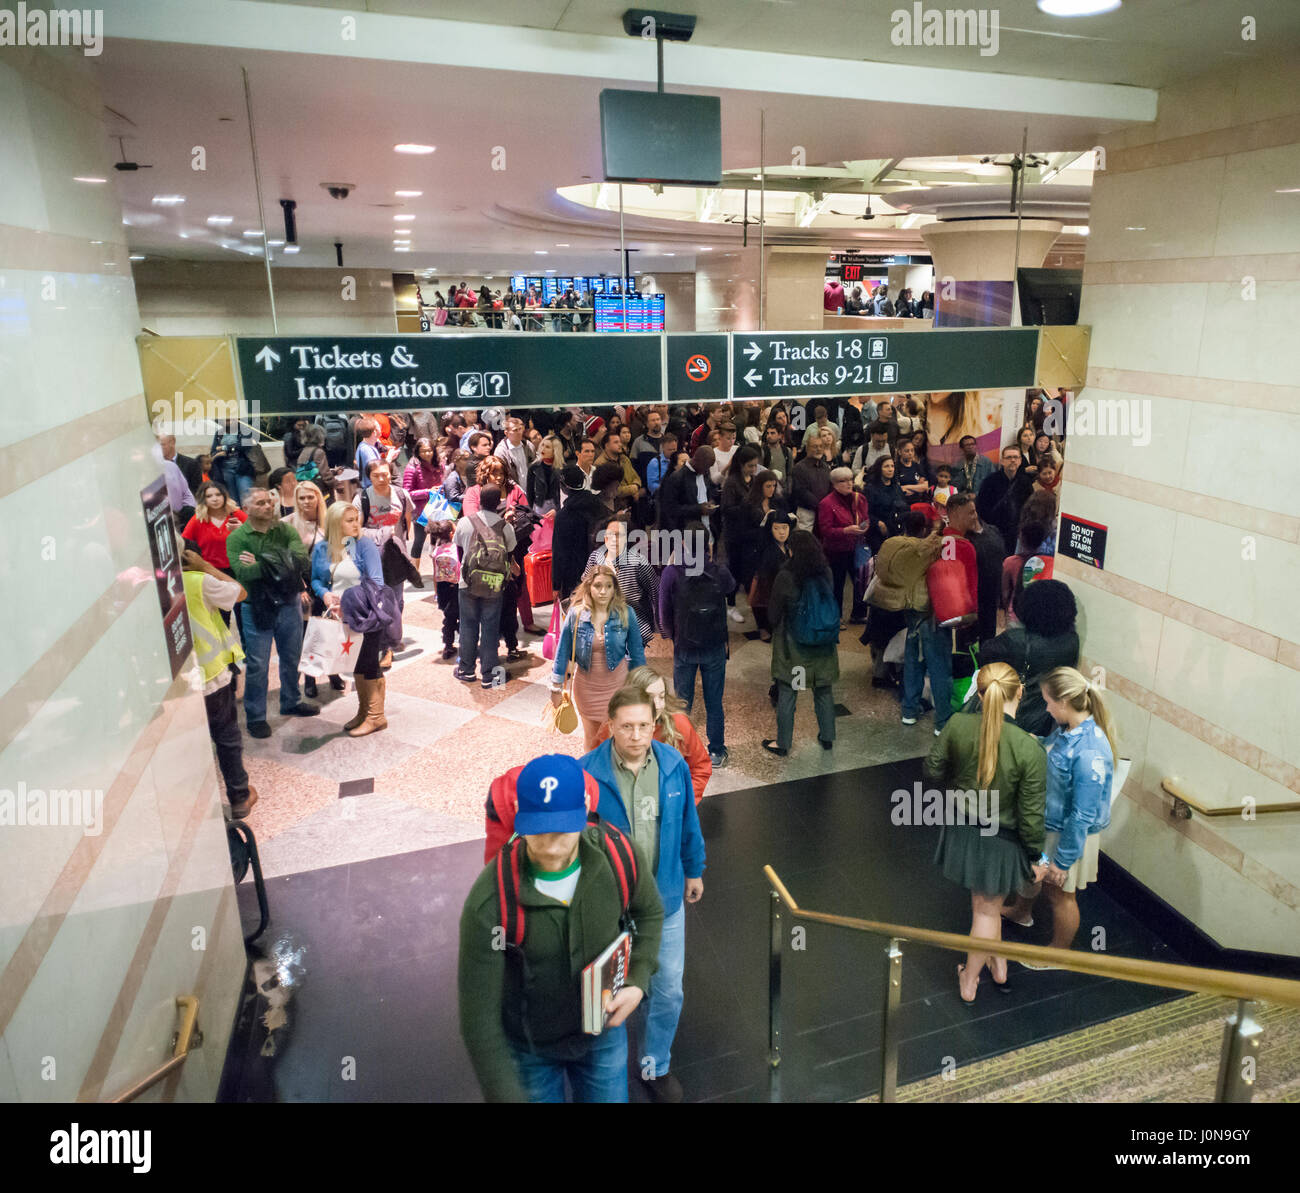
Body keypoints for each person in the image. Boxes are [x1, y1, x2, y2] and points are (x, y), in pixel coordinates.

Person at [458, 753, 664, 1103]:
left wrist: (637, 981)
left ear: (585, 808)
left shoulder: (619, 856)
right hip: (530, 1048)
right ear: (520, 814)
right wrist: (505, 1093)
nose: (552, 846)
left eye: (564, 827)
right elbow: (479, 1017)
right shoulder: (491, 900)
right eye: (539, 828)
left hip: (603, 1034)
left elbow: (649, 914)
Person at [581, 686, 705, 1102]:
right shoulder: (587, 774)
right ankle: (598, 1070)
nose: (636, 735)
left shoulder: (672, 764)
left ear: (655, 724)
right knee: (601, 992)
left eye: (644, 726)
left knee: (668, 989)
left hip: (665, 902)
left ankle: (655, 1065)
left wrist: (694, 869)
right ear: (610, 726)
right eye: (627, 726)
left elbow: (689, 821)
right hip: (608, 909)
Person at [926, 662, 1048, 1002]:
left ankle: (983, 971)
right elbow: (1031, 816)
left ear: (978, 694)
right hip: (1002, 840)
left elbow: (933, 768)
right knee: (987, 909)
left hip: (964, 829)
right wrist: (1036, 856)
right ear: (1019, 693)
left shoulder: (958, 724)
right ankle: (982, 973)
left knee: (984, 908)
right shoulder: (1029, 748)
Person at [1003, 667, 1118, 961]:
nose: (1047, 708)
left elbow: (1081, 815)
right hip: (1050, 823)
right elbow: (1053, 752)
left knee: (1060, 893)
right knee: (1032, 870)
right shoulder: (1069, 730)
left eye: (1048, 702)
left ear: (1064, 702)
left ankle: (1059, 954)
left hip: (1066, 834)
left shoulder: (1090, 750)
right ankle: (1021, 911)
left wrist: (1063, 861)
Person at [226, 488, 318, 738]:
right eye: (261, 503)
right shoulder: (237, 538)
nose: (268, 506)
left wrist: (261, 562)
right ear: (246, 509)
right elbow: (243, 573)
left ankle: (291, 701)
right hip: (257, 605)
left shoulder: (286, 530)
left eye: (270, 501)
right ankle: (256, 716)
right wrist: (280, 562)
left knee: (292, 657)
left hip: (289, 602)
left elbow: (301, 562)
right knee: (257, 664)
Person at [181, 543, 257, 818]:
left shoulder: (145, 585)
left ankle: (193, 806)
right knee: (225, 735)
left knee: (188, 742)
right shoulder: (199, 581)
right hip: (210, 672)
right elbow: (240, 592)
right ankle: (239, 796)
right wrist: (207, 567)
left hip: (177, 680)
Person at [658, 522, 734, 768]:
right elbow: (731, 587)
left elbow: (663, 612)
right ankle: (716, 751)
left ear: (682, 544)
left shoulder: (672, 571)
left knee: (682, 701)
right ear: (707, 544)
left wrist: (672, 636)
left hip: (685, 646)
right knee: (714, 701)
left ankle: (681, 751)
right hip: (714, 646)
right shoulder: (717, 570)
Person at [312, 501, 389, 736]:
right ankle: (364, 711)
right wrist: (325, 595)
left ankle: (376, 716)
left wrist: (348, 600)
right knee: (355, 663)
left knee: (369, 664)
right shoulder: (321, 548)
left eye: (357, 519)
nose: (356, 524)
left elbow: (377, 581)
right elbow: (316, 579)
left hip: (365, 614)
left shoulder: (365, 545)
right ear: (336, 523)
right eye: (349, 520)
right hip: (339, 617)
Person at [550, 566, 646, 751]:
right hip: (587, 689)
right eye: (598, 586)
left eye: (608, 586)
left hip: (618, 688)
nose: (603, 591)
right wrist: (555, 686)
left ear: (614, 589)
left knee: (617, 740)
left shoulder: (626, 613)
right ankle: (592, 778)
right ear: (589, 587)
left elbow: (637, 654)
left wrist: (642, 687)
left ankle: (613, 778)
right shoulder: (576, 615)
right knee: (592, 740)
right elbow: (562, 652)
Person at [762, 531, 839, 756]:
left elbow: (774, 615)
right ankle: (827, 737)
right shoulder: (826, 572)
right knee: (823, 690)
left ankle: (783, 743)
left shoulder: (786, 576)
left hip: (795, 648)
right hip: (823, 645)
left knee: (789, 691)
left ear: (792, 550)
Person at [870, 513, 949, 731]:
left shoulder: (893, 544)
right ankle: (942, 722)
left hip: (909, 611)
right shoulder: (923, 550)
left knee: (912, 659)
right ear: (923, 528)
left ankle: (909, 710)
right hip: (927, 612)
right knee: (938, 664)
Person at [595, 666, 711, 803]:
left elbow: (701, 767)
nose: (657, 705)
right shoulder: (611, 729)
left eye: (661, 697)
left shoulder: (679, 725)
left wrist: (681, 801)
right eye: (649, 697)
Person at [979, 579, 1081, 736]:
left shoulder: (1016, 640)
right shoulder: (1072, 642)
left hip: (1009, 715)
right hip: (1043, 720)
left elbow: (984, 654)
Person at [453, 485, 517, 688]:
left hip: (467, 582)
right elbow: (510, 551)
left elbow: (460, 548)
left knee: (468, 625)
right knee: (490, 627)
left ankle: (466, 670)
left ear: (479, 500)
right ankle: (490, 675)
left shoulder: (465, 522)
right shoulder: (505, 526)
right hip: (495, 584)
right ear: (499, 502)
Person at [582, 519, 658, 646]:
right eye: (610, 534)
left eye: (619, 535)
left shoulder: (639, 563)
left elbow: (656, 594)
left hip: (632, 628)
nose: (614, 539)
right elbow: (585, 590)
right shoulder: (595, 558)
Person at [945, 492, 1005, 645]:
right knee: (966, 651)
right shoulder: (953, 542)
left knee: (988, 644)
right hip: (969, 606)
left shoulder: (993, 531)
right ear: (953, 516)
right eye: (967, 514)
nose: (972, 517)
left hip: (991, 601)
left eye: (973, 512)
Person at [816, 466, 870, 625]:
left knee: (861, 582)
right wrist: (845, 530)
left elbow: (866, 518)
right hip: (836, 550)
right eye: (843, 481)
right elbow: (825, 530)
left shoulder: (859, 498)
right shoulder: (826, 503)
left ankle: (859, 614)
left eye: (850, 480)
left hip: (857, 547)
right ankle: (835, 617)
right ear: (834, 484)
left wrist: (865, 526)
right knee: (837, 585)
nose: (848, 483)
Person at [552, 465, 607, 600]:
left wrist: (556, 585)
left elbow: (559, 553)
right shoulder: (599, 506)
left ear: (563, 486)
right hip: (602, 570)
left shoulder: (563, 516)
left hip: (574, 577)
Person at [182, 481, 246, 587]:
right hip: (211, 572)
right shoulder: (198, 520)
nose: (215, 499)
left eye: (218, 494)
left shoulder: (236, 514)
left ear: (224, 496)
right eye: (209, 496)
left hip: (238, 568)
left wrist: (242, 530)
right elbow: (183, 542)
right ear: (203, 500)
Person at [976, 445, 1034, 550]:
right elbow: (981, 508)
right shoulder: (990, 481)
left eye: (1016, 457)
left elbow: (1030, 508)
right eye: (1009, 457)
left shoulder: (1025, 482)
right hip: (994, 533)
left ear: (1020, 461)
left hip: (1017, 534)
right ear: (1002, 461)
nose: (1012, 460)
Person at [750, 510, 794, 643]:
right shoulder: (767, 551)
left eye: (785, 528)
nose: (782, 532)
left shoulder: (789, 546)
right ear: (770, 529)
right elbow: (762, 584)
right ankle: (763, 627)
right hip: (768, 591)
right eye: (776, 528)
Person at [403, 437, 445, 564]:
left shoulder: (439, 464)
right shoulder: (412, 467)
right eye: (423, 451)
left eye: (430, 450)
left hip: (438, 508)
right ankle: (414, 572)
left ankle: (438, 571)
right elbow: (407, 492)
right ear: (417, 452)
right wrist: (428, 491)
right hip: (422, 512)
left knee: (438, 541)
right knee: (419, 541)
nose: (427, 454)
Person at [658, 446, 717, 536]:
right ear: (698, 461)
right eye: (706, 466)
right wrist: (699, 509)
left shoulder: (705, 474)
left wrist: (711, 503)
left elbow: (710, 492)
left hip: (707, 530)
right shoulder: (677, 477)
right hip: (686, 532)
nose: (707, 470)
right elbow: (670, 509)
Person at [861, 455, 908, 556]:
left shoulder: (896, 487)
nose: (890, 469)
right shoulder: (870, 489)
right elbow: (865, 512)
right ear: (879, 469)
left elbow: (905, 508)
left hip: (897, 531)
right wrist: (878, 523)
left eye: (892, 466)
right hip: (878, 532)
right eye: (886, 466)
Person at [790, 434, 831, 534]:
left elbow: (830, 488)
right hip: (806, 513)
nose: (818, 449)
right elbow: (801, 492)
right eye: (815, 446)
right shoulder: (799, 468)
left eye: (821, 446)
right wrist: (820, 506)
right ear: (807, 448)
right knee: (805, 541)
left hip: (824, 512)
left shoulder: (826, 467)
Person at [493, 416, 534, 489]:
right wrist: (518, 491)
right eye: (515, 430)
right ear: (506, 433)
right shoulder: (501, 452)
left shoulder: (529, 446)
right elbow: (502, 476)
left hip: (531, 490)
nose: (519, 432)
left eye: (520, 429)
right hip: (512, 492)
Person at [354, 417, 383, 489]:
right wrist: (389, 458)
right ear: (374, 432)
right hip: (372, 489)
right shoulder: (366, 450)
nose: (381, 428)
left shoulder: (365, 446)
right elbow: (376, 471)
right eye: (379, 426)